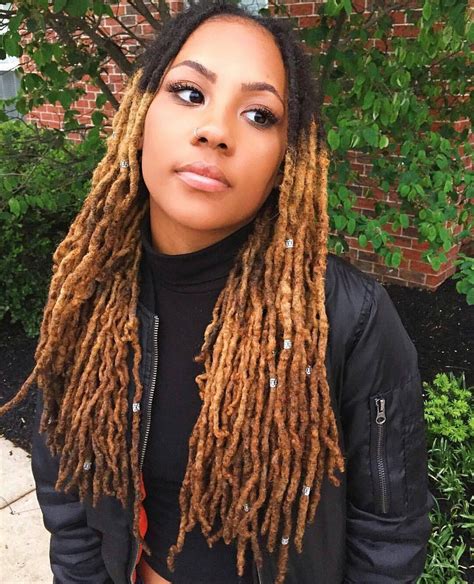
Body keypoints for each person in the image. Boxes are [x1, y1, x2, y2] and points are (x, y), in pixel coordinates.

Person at [0, 2, 434, 583]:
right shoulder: (88, 292)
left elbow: (388, 537)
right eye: (189, 92)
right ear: (139, 115)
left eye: (259, 114)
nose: (216, 130)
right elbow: (66, 479)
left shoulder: (348, 319)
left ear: (287, 161)